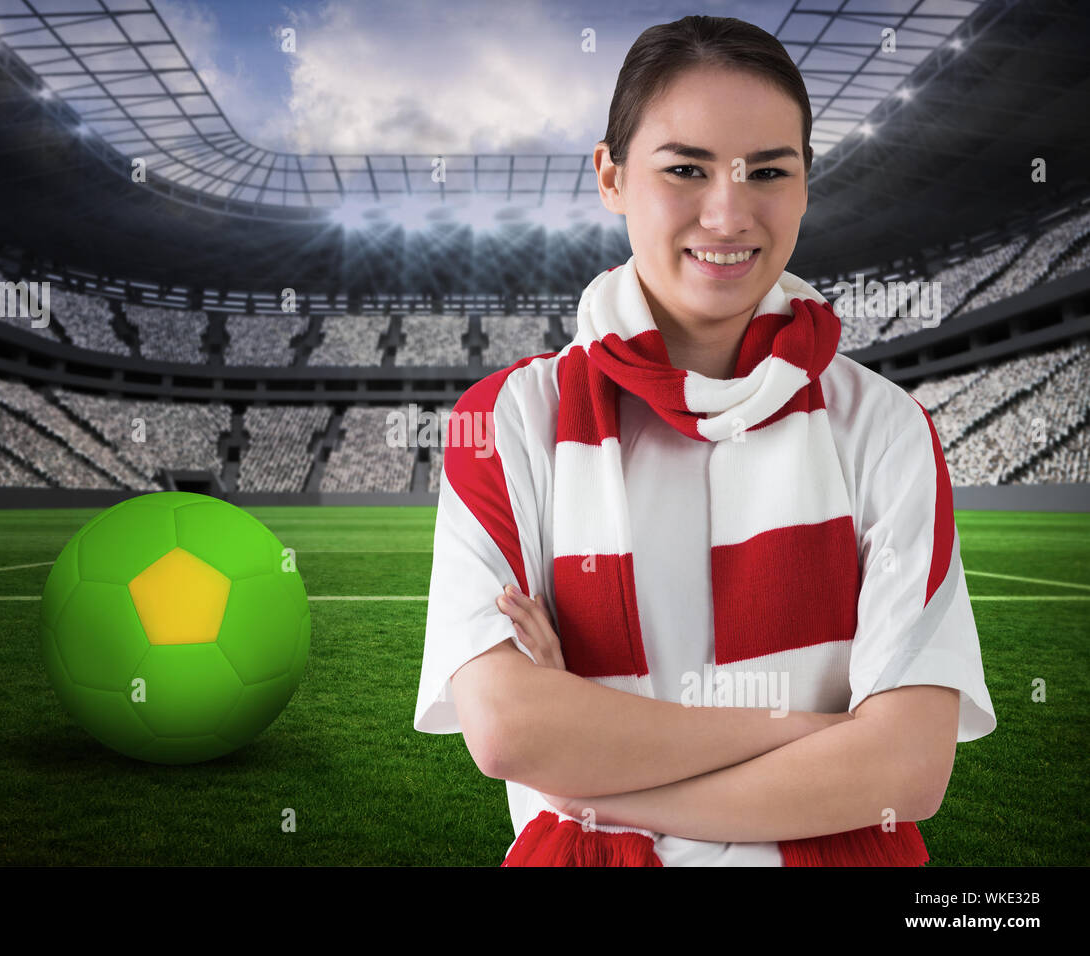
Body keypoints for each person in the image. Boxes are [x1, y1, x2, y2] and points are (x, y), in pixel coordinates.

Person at [412, 15, 996, 866]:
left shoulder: (886, 428)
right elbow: (509, 732)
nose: (727, 214)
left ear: (804, 185)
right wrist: (827, 733)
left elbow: (907, 768)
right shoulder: (504, 422)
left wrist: (592, 767)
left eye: (768, 171)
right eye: (685, 168)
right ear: (610, 176)